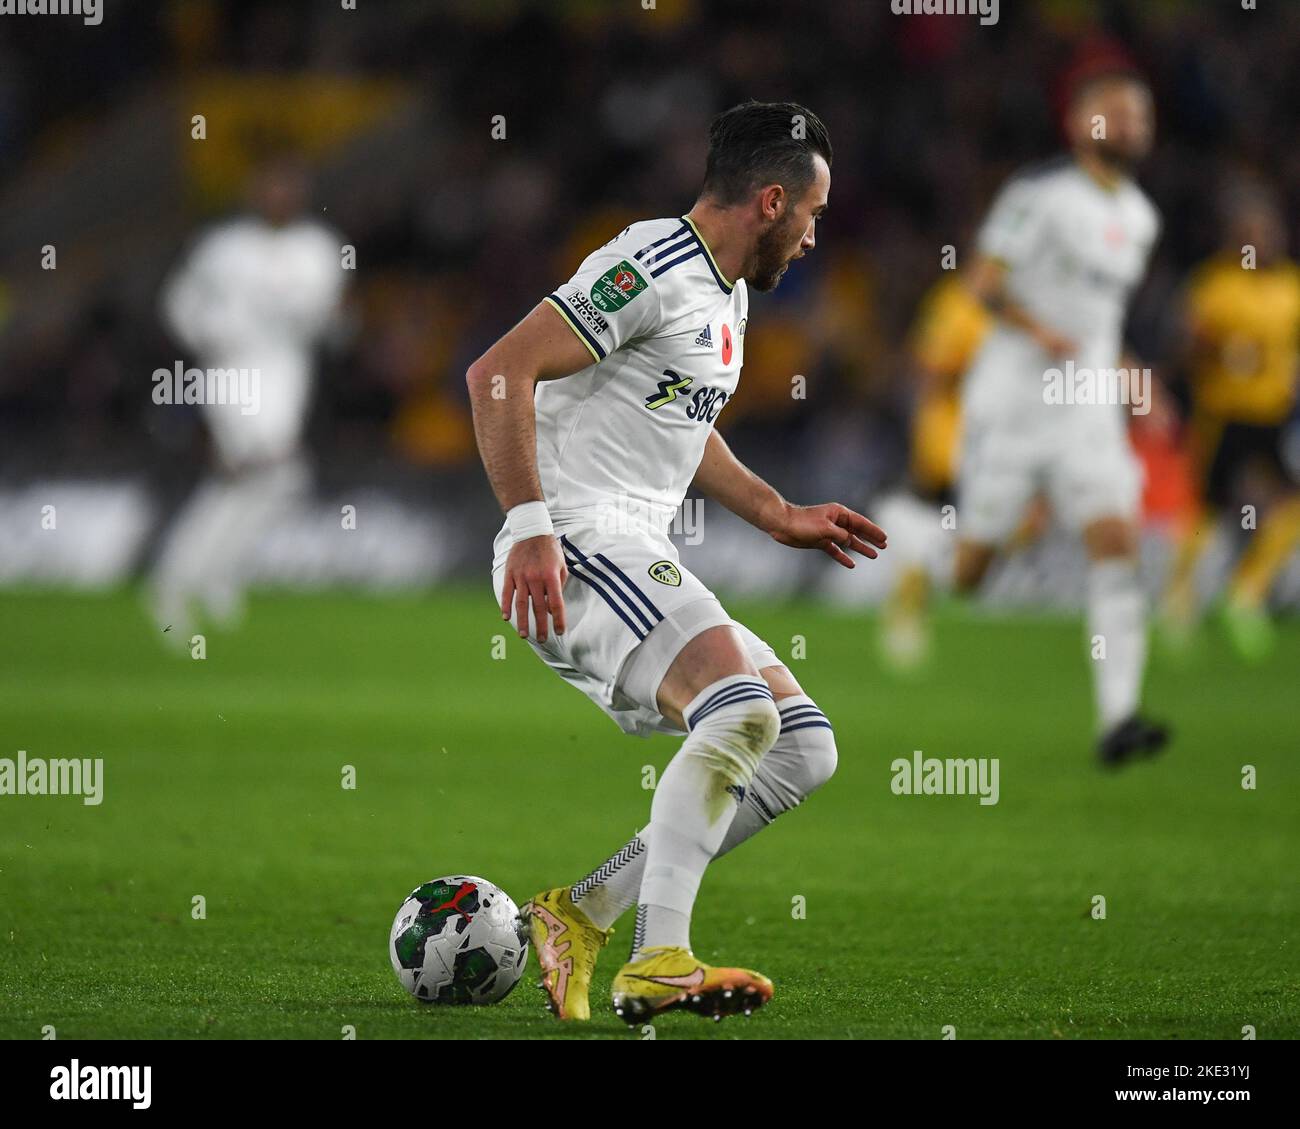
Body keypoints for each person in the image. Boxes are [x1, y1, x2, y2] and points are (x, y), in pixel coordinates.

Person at [465, 101, 886, 1024]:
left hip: (623, 545)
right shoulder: (648, 263)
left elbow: (678, 424)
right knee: (735, 709)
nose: (815, 237)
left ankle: (582, 912)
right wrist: (532, 521)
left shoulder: (725, 295)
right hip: (575, 538)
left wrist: (774, 511)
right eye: (813, 214)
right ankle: (660, 958)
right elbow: (498, 373)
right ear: (772, 200)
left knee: (802, 743)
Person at [955, 68, 1168, 767]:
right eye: (1117, 111)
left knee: (1117, 544)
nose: (1133, 123)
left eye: (1141, 113)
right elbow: (982, 282)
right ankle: (916, 556)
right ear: (1081, 124)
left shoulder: (1141, 217)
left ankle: (1119, 716)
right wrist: (1034, 327)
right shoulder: (1038, 196)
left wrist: (1138, 381)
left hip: (1087, 413)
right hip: (1014, 404)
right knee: (970, 572)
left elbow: (1100, 323)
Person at [149, 154, 345, 640]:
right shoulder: (222, 247)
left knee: (278, 479)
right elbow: (179, 302)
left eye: (288, 186)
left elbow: (322, 313)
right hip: (233, 370)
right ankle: (175, 582)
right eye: (269, 185)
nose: (278, 195)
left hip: (286, 372)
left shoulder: (317, 248)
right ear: (253, 193)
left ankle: (208, 573)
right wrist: (208, 335)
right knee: (264, 465)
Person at [1161, 183, 1300, 660]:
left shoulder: (1290, 288)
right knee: (1208, 508)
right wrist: (1211, 349)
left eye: (1268, 232)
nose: (1262, 241)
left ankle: (1247, 590)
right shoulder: (1215, 286)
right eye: (1252, 233)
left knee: (1289, 503)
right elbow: (1182, 351)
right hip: (1224, 415)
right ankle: (1178, 601)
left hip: (1272, 415)